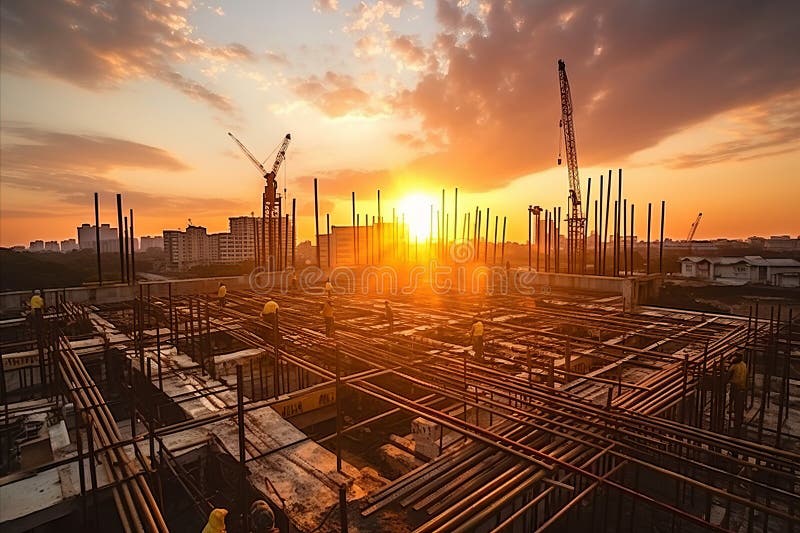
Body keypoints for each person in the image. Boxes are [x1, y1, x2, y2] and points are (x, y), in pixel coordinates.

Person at [727, 352, 747, 437]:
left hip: (735, 387)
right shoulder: (744, 365)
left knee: (734, 401)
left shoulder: (734, 366)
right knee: (740, 405)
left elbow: (728, 377)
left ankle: (736, 424)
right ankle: (739, 419)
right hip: (743, 387)